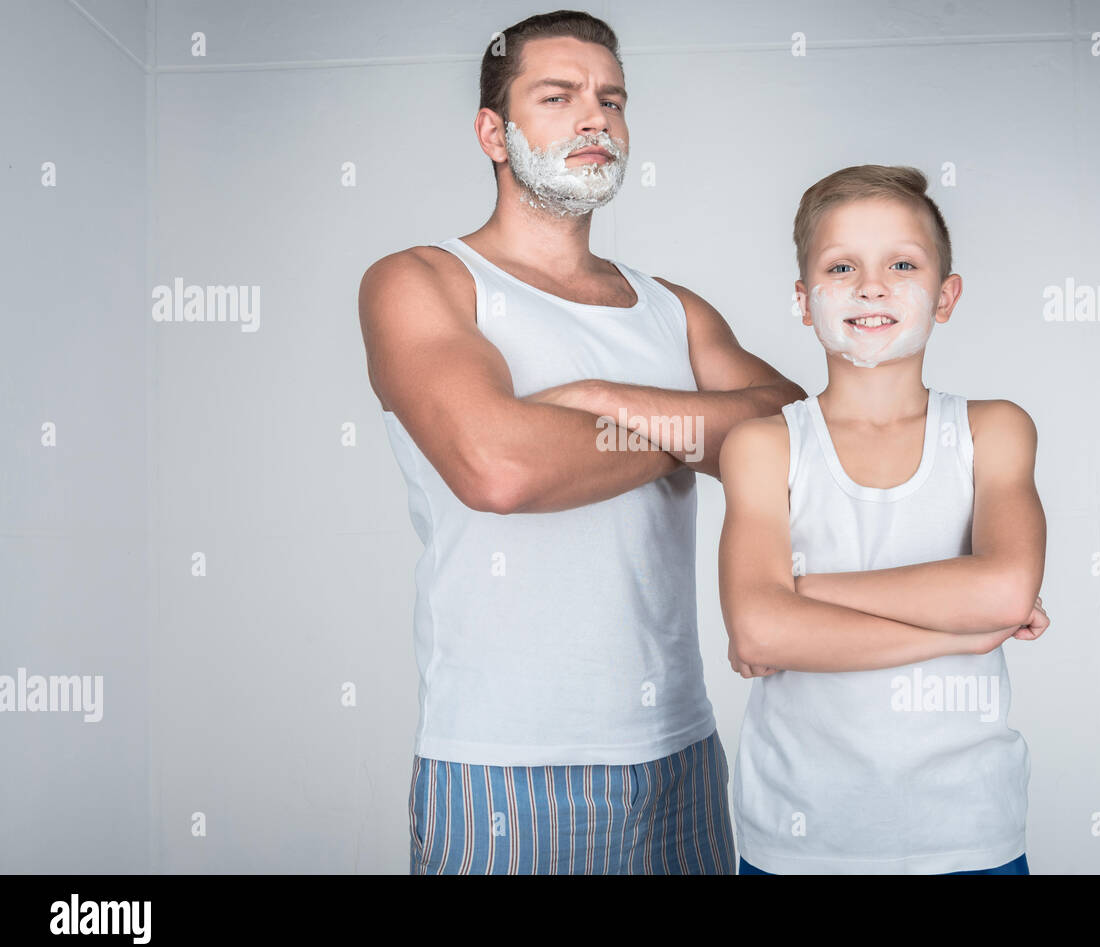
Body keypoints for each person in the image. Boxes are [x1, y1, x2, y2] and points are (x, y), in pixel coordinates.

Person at [357, 10, 804, 874]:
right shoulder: (423, 281)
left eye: (612, 99)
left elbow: (798, 439)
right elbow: (500, 466)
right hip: (504, 763)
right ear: (494, 131)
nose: (594, 118)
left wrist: (596, 402)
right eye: (557, 96)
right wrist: (697, 431)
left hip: (680, 747)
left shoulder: (673, 307)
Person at [717, 164, 1051, 875]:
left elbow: (1002, 594)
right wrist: (961, 633)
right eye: (843, 267)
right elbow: (757, 629)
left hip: (967, 831)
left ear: (946, 294)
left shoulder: (993, 431)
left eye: (902, 263)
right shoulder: (763, 445)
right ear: (805, 301)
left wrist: (804, 595)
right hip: (797, 838)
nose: (872, 286)